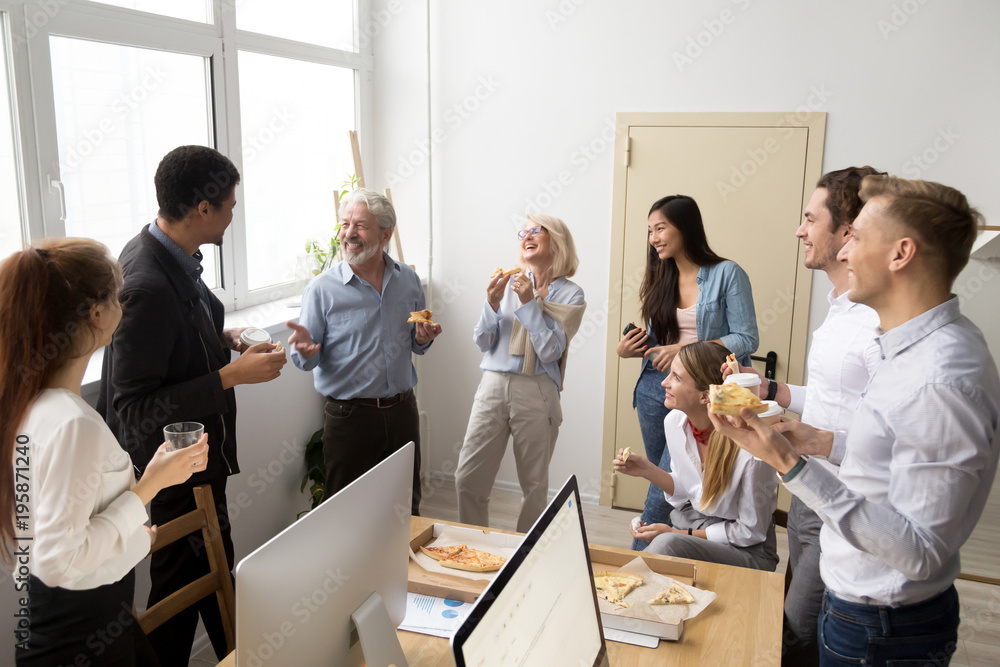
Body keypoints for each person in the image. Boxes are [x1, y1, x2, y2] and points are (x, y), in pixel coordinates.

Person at [712, 176, 1000, 666]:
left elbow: (921, 551)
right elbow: (887, 453)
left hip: (882, 624)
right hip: (860, 602)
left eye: (858, 238)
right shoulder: (906, 349)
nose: (844, 254)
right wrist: (808, 438)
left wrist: (789, 463)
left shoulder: (940, 378)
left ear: (900, 253)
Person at [99, 145, 287, 666]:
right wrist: (230, 377)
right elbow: (133, 410)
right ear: (202, 209)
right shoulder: (145, 284)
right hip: (173, 486)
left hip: (196, 473)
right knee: (179, 610)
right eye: (228, 204)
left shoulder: (174, 256)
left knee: (214, 593)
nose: (233, 213)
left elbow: (175, 346)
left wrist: (224, 339)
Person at [1, 239, 210, 666]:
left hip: (70, 617)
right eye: (118, 293)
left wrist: (127, 543)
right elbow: (58, 561)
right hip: (81, 633)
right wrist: (152, 484)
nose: (125, 301)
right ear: (96, 313)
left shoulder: (27, 403)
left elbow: (44, 537)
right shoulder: (69, 422)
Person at [723, 166, 885, 666]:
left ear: (847, 232)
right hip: (809, 490)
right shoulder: (841, 307)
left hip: (849, 501)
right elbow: (838, 395)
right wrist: (772, 390)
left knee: (793, 632)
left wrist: (816, 440)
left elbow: (893, 432)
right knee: (798, 622)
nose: (800, 230)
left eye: (810, 219)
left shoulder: (880, 321)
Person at [615, 195, 758, 549]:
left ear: (686, 227)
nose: (654, 238)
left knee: (663, 486)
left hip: (704, 390)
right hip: (655, 386)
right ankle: (681, 551)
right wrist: (626, 349)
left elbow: (747, 337)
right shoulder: (660, 276)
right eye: (650, 231)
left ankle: (643, 560)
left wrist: (682, 350)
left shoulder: (727, 273)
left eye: (660, 228)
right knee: (668, 480)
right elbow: (656, 340)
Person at [286, 188, 440, 517]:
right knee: (348, 514)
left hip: (402, 413)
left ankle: (400, 568)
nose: (349, 234)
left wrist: (424, 338)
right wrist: (304, 350)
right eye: (345, 224)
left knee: (405, 508)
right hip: (349, 419)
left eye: (360, 225)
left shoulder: (409, 279)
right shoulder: (321, 290)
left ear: (386, 233)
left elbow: (417, 344)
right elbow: (306, 359)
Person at [455, 215, 586, 532]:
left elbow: (551, 352)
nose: (526, 236)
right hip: (492, 384)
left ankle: (525, 561)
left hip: (537, 390)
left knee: (534, 487)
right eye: (523, 232)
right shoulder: (507, 282)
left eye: (536, 231)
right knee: (467, 479)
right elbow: (483, 341)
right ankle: (475, 547)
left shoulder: (571, 296)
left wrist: (529, 303)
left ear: (556, 241)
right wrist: (492, 303)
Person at [614, 341, 778, 570]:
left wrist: (680, 533)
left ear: (704, 396)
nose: (664, 382)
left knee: (667, 543)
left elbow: (751, 532)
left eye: (676, 378)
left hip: (747, 550)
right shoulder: (675, 422)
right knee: (666, 543)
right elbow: (687, 492)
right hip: (699, 525)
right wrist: (647, 470)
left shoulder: (750, 449)